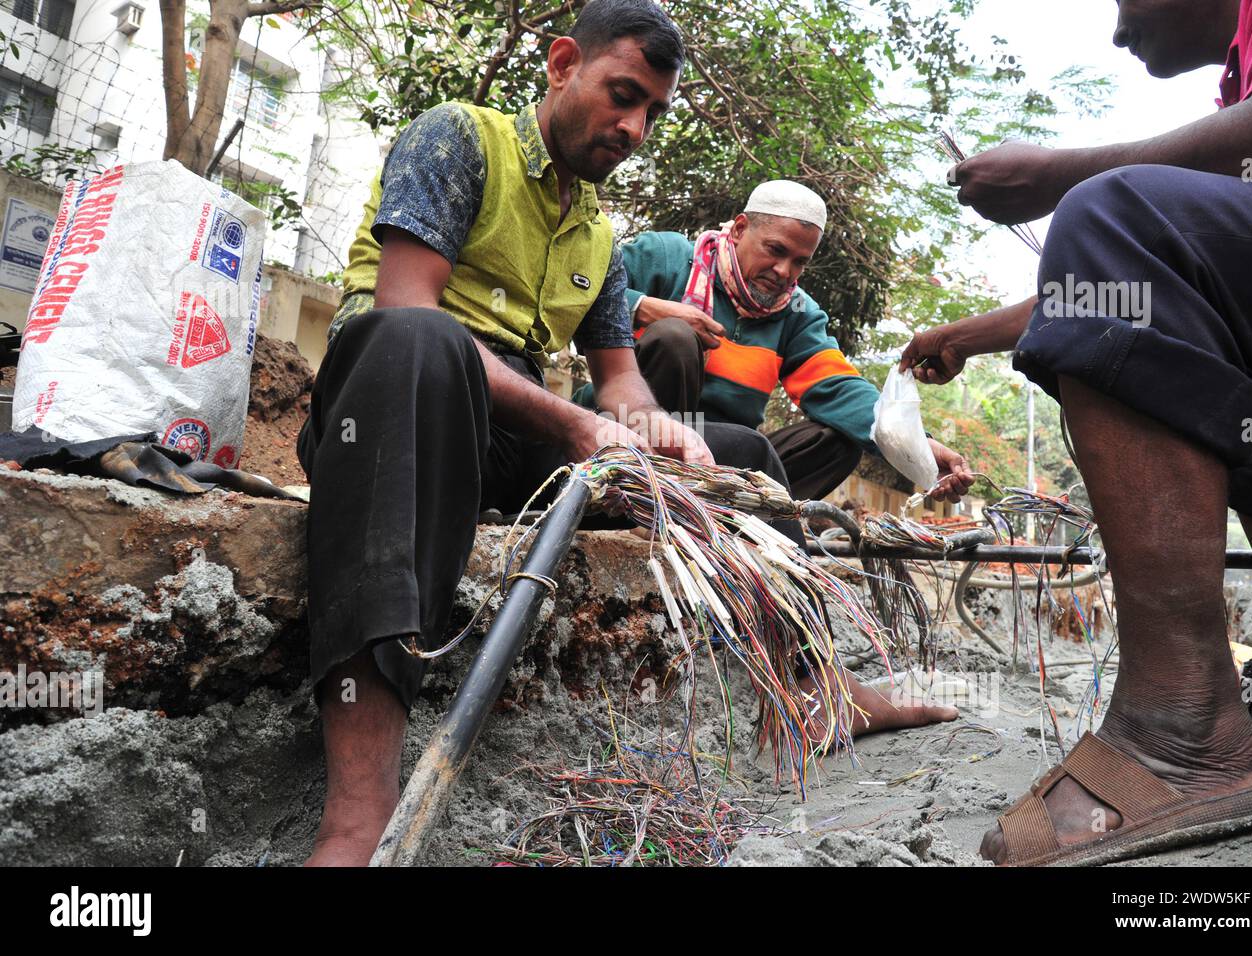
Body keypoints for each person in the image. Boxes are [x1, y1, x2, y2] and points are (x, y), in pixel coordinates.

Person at [298, 0, 953, 867]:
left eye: (651, 111)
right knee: (421, 342)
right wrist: (578, 424)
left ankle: (812, 688)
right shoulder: (458, 137)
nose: (634, 126)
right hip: (393, 409)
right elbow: (406, 307)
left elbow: (618, 381)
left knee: (745, 451)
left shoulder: (598, 230)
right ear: (563, 63)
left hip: (513, 432)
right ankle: (360, 803)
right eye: (622, 95)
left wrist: (655, 434)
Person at [901, 0, 1252, 865]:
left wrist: (1058, 178)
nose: (1118, 32)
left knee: (1108, 215)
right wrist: (965, 336)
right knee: (1167, 270)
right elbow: (1210, 262)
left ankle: (1181, 731)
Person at [575, 180, 975, 503]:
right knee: (676, 337)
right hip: (632, 438)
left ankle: (737, 514)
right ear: (741, 228)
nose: (785, 271)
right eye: (776, 250)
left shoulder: (797, 314)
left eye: (800, 261)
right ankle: (643, 491)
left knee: (837, 440)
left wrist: (922, 447)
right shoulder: (664, 257)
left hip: (721, 455)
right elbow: (576, 293)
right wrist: (643, 306)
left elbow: (838, 390)